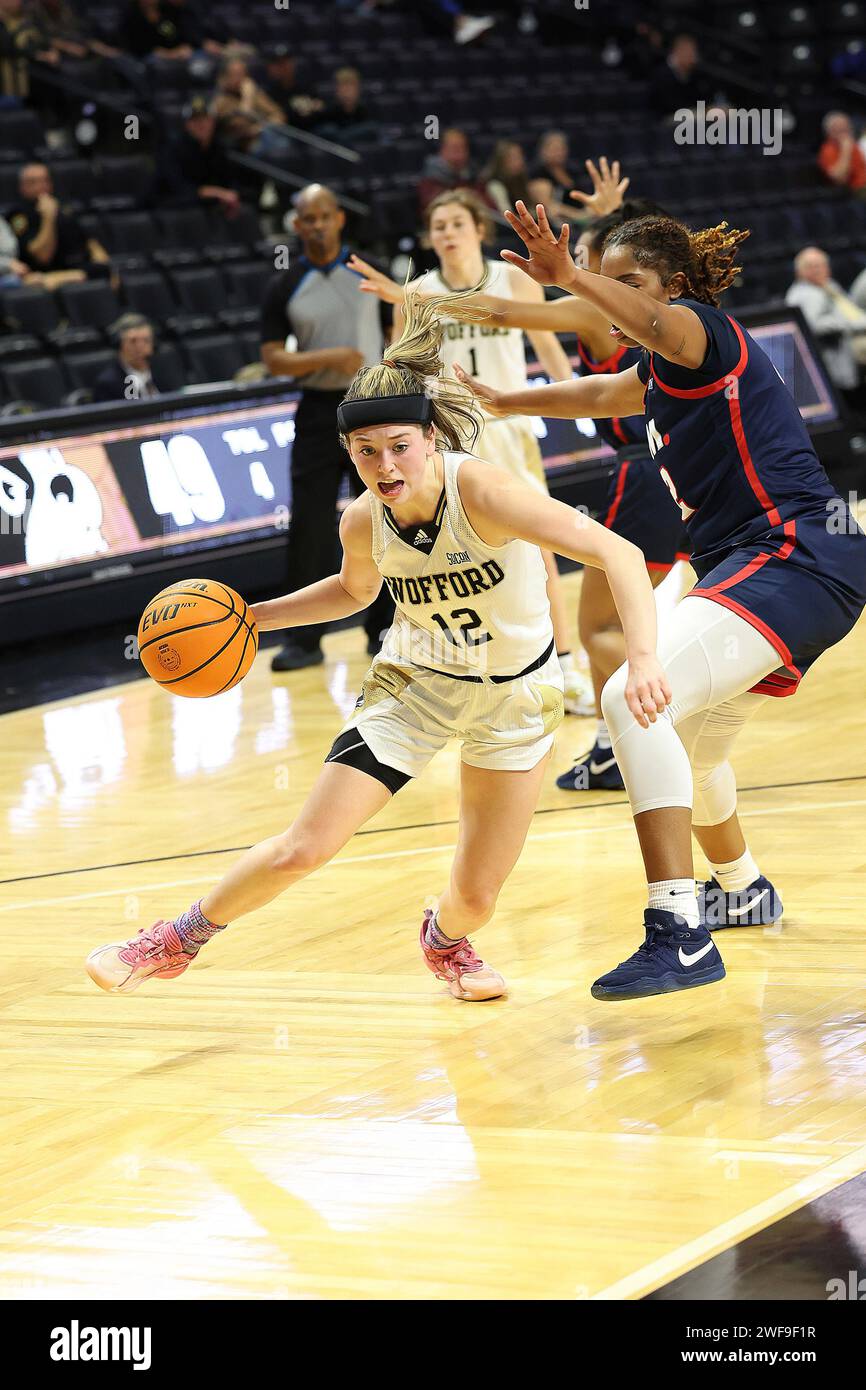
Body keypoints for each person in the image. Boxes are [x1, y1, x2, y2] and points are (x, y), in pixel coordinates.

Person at [85, 283, 666, 1001]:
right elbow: (355, 592)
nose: (386, 467)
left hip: (516, 695)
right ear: (349, 453)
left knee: (477, 898)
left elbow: (621, 555)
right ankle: (173, 940)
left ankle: (445, 940)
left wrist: (642, 660)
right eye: (367, 453)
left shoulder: (484, 492)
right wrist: (253, 618)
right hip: (414, 687)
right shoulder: (363, 520)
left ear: (431, 438)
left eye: (399, 447)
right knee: (307, 846)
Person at [457, 200, 866, 999]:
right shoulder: (660, 370)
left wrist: (572, 275)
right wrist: (506, 403)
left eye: (628, 284)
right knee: (695, 750)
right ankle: (741, 886)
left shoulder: (698, 331)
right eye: (605, 286)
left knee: (632, 699)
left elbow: (647, 325)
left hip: (791, 554)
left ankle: (678, 933)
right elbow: (608, 393)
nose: (612, 300)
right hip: (770, 568)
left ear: (672, 288)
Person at [348, 186, 594, 715]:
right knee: (443, 553)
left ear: (479, 230)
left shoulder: (512, 279)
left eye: (458, 224)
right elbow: (400, 367)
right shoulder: (416, 292)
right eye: (439, 227)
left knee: (538, 545)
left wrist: (576, 400)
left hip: (505, 426)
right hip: (444, 437)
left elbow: (548, 341)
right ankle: (443, 665)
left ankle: (565, 664)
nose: (448, 234)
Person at [259, 183, 395, 670]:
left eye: (323, 216)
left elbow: (396, 325)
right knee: (311, 525)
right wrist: (328, 357)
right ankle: (304, 640)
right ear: (296, 226)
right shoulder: (284, 283)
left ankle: (385, 629)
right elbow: (272, 357)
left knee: (384, 513)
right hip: (318, 410)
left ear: (339, 218)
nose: (316, 225)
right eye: (306, 219)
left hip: (372, 404)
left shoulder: (367, 268)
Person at [785, 246, 866, 416]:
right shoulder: (805, 294)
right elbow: (814, 325)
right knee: (851, 408)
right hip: (832, 361)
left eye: (822, 265)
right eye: (813, 266)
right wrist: (853, 324)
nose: (819, 270)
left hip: (850, 356)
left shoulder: (828, 285)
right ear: (800, 271)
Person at [7, 163, 112, 290]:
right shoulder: (18, 215)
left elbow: (88, 240)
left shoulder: (63, 208)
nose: (41, 186)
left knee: (107, 271)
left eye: (45, 180)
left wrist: (103, 261)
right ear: (22, 187)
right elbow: (42, 257)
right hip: (49, 270)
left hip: (79, 266)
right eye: (33, 182)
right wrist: (48, 218)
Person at [157, 96, 244, 213]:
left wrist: (231, 193)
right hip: (170, 207)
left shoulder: (219, 147)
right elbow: (179, 187)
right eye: (195, 120)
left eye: (205, 119)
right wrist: (217, 193)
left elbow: (230, 179)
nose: (201, 125)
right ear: (187, 125)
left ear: (213, 122)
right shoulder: (173, 150)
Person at [211, 54, 289, 160]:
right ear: (225, 78)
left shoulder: (255, 93)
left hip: (266, 135)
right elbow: (241, 124)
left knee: (284, 144)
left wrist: (260, 128)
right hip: (244, 147)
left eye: (243, 74)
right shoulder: (221, 101)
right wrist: (247, 98)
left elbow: (279, 114)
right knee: (279, 147)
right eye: (235, 74)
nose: (241, 78)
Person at [417, 127, 494, 217]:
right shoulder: (430, 179)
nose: (460, 153)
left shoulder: (474, 174)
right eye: (454, 148)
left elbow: (489, 208)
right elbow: (434, 209)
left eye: (463, 148)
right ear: (442, 150)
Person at [91, 314, 170, 402]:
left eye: (146, 340)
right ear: (119, 344)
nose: (140, 347)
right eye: (133, 341)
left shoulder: (164, 373)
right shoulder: (107, 384)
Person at [260, 44, 324, 129]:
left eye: (286, 62)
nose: (283, 67)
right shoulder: (268, 92)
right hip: (286, 133)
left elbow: (320, 106)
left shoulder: (306, 84)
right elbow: (278, 117)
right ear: (271, 68)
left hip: (313, 130)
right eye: (279, 64)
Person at [314, 66, 376, 146]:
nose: (347, 90)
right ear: (336, 89)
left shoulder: (367, 112)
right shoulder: (326, 113)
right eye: (343, 85)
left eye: (351, 85)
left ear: (358, 88)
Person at [649, 33, 705, 120]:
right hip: (664, 119)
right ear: (679, 51)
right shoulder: (662, 74)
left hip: (687, 114)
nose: (694, 58)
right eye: (690, 53)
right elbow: (668, 105)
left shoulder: (693, 74)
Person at [817, 112, 866, 196]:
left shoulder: (855, 144)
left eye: (846, 127)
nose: (845, 131)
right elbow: (840, 178)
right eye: (839, 128)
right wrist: (846, 150)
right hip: (856, 190)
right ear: (829, 131)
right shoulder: (828, 150)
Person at [481, 140, 534, 218]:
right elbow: (507, 216)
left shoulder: (521, 179)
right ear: (502, 161)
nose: (520, 160)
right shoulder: (495, 185)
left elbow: (530, 209)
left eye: (520, 156)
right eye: (514, 157)